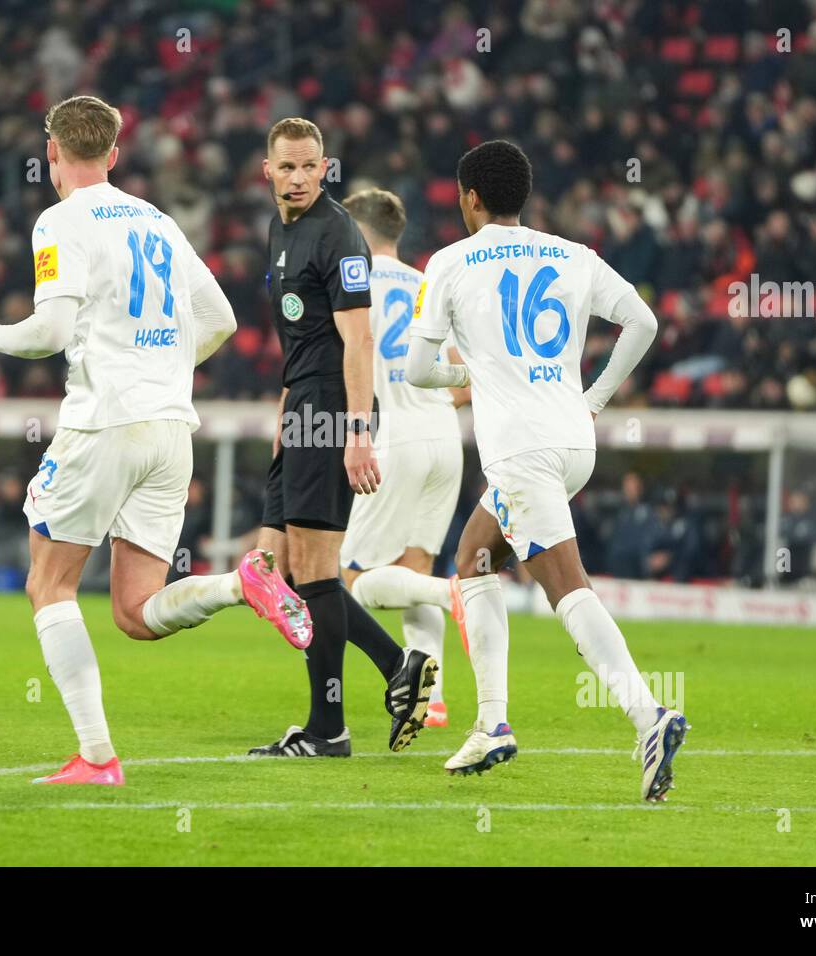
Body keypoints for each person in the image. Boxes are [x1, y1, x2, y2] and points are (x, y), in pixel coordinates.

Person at [0, 95, 311, 787]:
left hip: (104, 425)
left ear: (53, 154)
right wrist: (167, 366)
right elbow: (222, 319)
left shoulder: (61, 221)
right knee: (137, 612)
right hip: (170, 428)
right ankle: (242, 583)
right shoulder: (158, 220)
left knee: (48, 584)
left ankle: (95, 757)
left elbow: (51, 331)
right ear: (114, 154)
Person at [406, 140, 688, 801]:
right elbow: (643, 322)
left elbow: (419, 371)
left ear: (470, 198)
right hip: (573, 443)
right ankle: (490, 723)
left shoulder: (449, 261)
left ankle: (649, 715)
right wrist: (594, 398)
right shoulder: (573, 255)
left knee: (565, 586)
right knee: (474, 556)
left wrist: (464, 371)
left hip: (521, 449)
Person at [250, 118, 438, 758]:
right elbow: (297, 340)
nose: (299, 178)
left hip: (333, 408)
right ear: (267, 171)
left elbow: (356, 341)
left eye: (310, 166)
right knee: (279, 570)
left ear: (324, 168)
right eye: (288, 167)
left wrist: (357, 431)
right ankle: (396, 667)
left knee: (318, 572)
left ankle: (328, 728)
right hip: (301, 405)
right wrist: (284, 414)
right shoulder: (281, 229)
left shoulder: (338, 234)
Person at [337, 187, 468, 729]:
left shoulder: (351, 281)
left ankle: (451, 591)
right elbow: (465, 375)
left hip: (392, 437)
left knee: (345, 580)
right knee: (415, 565)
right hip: (445, 436)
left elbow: (341, 362)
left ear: (357, 232)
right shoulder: (426, 284)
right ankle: (431, 698)